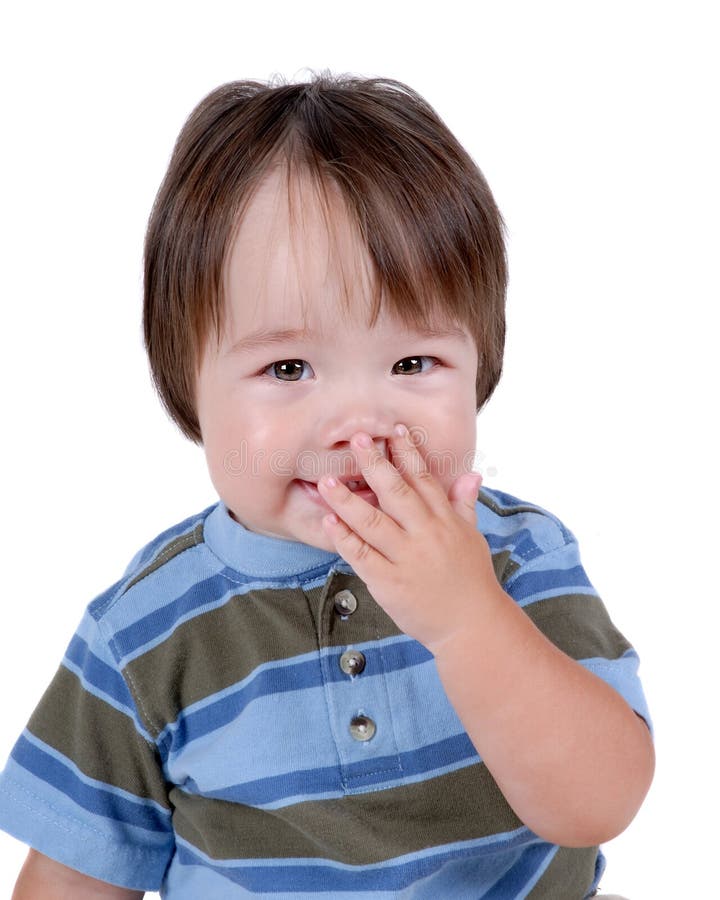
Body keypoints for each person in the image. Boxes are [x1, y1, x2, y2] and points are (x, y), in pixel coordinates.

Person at [0, 74, 654, 899]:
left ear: (480, 367)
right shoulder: (144, 635)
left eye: (413, 364)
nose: (359, 423)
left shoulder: (518, 559)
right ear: (185, 382)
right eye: (288, 368)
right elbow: (71, 878)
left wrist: (468, 621)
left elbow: (600, 802)